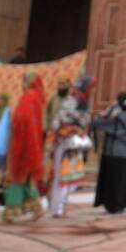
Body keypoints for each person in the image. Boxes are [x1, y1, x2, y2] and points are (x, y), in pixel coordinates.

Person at [4, 73, 46, 223]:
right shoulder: (37, 97)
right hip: (32, 143)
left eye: (24, 81)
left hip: (24, 142)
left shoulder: (28, 96)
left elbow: (22, 118)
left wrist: (12, 118)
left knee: (19, 176)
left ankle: (11, 211)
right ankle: (36, 207)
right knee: (27, 178)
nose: (22, 84)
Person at [49, 76, 93, 218]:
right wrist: (74, 128)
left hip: (68, 142)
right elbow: (60, 120)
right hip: (67, 142)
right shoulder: (76, 101)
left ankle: (59, 207)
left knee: (67, 175)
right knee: (65, 175)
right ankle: (59, 208)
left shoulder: (77, 100)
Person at [93, 93, 126, 214]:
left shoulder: (116, 113)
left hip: (114, 152)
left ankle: (112, 205)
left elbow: (97, 123)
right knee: (125, 180)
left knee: (113, 180)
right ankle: (122, 203)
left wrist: (106, 113)